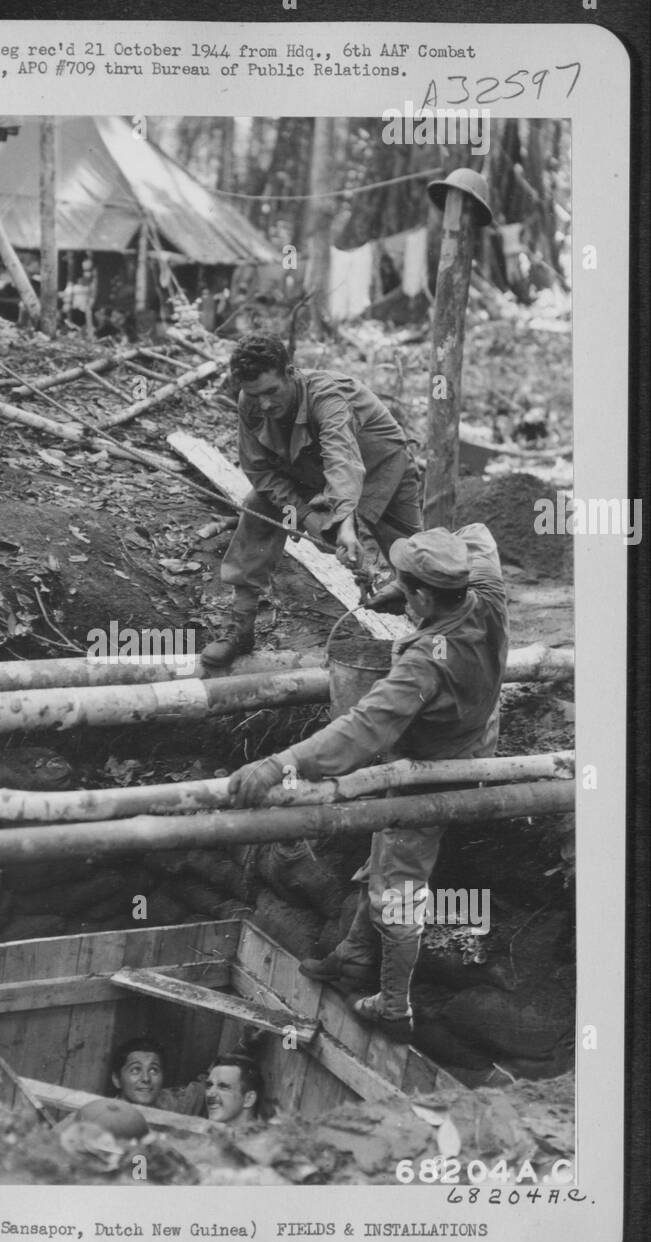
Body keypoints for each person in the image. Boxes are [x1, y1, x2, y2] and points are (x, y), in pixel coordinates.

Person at [227, 525, 509, 1041]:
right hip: (475, 737)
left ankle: (395, 1006)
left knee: (399, 888)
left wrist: (279, 764)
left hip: (433, 772)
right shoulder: (486, 595)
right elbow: (478, 534)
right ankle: (355, 956)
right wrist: (408, 589)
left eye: (409, 588)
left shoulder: (424, 666)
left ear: (426, 595)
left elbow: (361, 730)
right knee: (385, 849)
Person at [202, 334, 424, 667]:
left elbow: (342, 459)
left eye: (271, 392)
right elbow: (261, 473)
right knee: (259, 504)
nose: (263, 404)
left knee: (413, 560)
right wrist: (304, 514)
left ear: (290, 372)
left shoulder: (327, 396)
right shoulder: (251, 403)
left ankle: (436, 643)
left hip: (383, 466)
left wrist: (344, 521)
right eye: (254, 394)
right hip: (310, 473)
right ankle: (240, 624)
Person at [109, 1035, 205, 1115]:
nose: (146, 1078)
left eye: (153, 1070)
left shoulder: (168, 1103)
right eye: (135, 1070)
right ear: (117, 1080)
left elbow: (196, 1092)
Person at [204, 1054, 262, 1127]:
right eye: (209, 1085)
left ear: (249, 1099)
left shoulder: (265, 1138)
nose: (210, 1093)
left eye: (223, 1086)